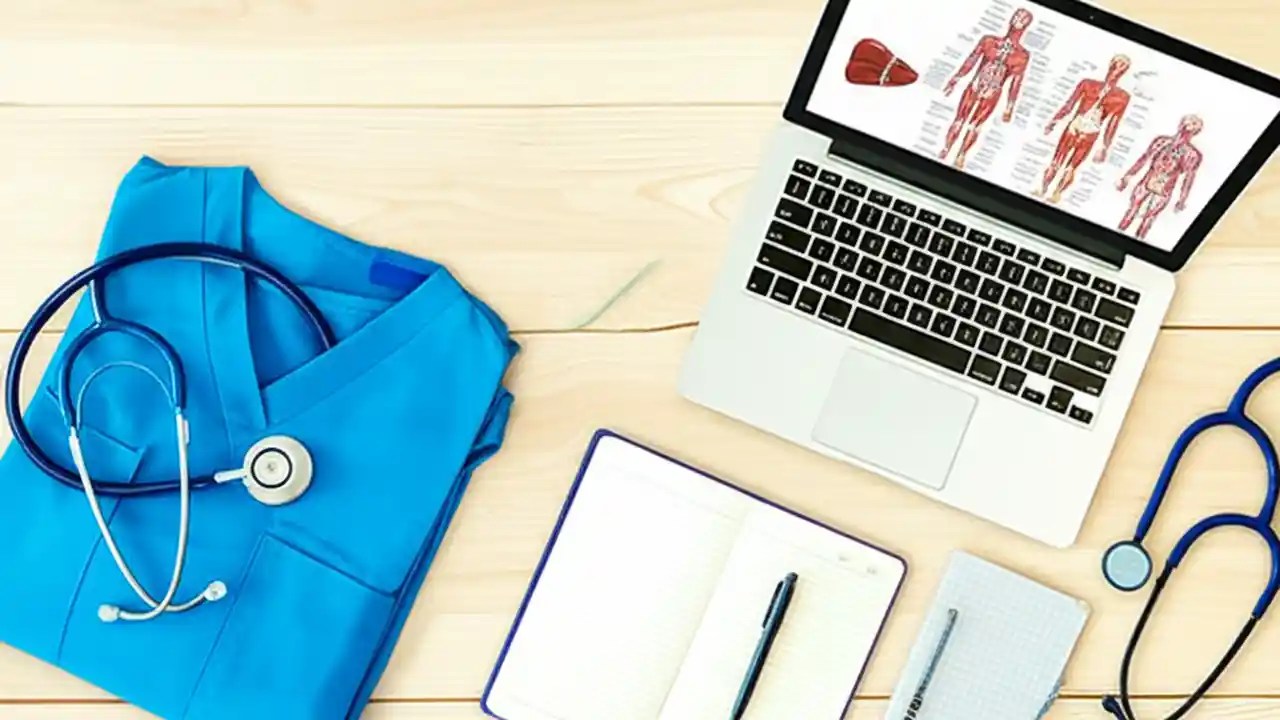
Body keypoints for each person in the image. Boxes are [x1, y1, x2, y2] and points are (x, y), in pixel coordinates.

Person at [939, 8, 1034, 170]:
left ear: (1027, 25)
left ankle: (961, 154)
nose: (1018, 19)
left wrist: (1009, 107)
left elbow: (1016, 82)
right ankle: (946, 149)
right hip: (975, 85)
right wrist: (955, 78)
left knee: (975, 125)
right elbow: (972, 60)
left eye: (1023, 18)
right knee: (959, 120)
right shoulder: (989, 41)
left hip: (993, 92)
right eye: (1017, 15)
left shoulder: (1022, 55)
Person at [1036, 55, 1132, 204]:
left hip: (1086, 131)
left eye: (1121, 66)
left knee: (1067, 166)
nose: (1117, 69)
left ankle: (1053, 193)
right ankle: (1048, 192)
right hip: (1078, 128)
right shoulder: (1091, 85)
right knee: (1059, 163)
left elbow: (1112, 125)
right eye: (1117, 65)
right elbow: (1069, 105)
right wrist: (1054, 120)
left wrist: (1105, 147)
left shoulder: (1121, 96)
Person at [1116, 115, 1205, 240]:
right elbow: (1144, 159)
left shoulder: (1193, 155)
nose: (1186, 129)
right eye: (1185, 125)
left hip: (1163, 190)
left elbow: (1188, 180)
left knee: (1148, 220)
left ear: (1195, 132)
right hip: (1147, 184)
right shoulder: (1162, 141)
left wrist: (1182, 200)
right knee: (1131, 213)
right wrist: (1127, 177)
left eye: (1191, 127)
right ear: (1180, 125)